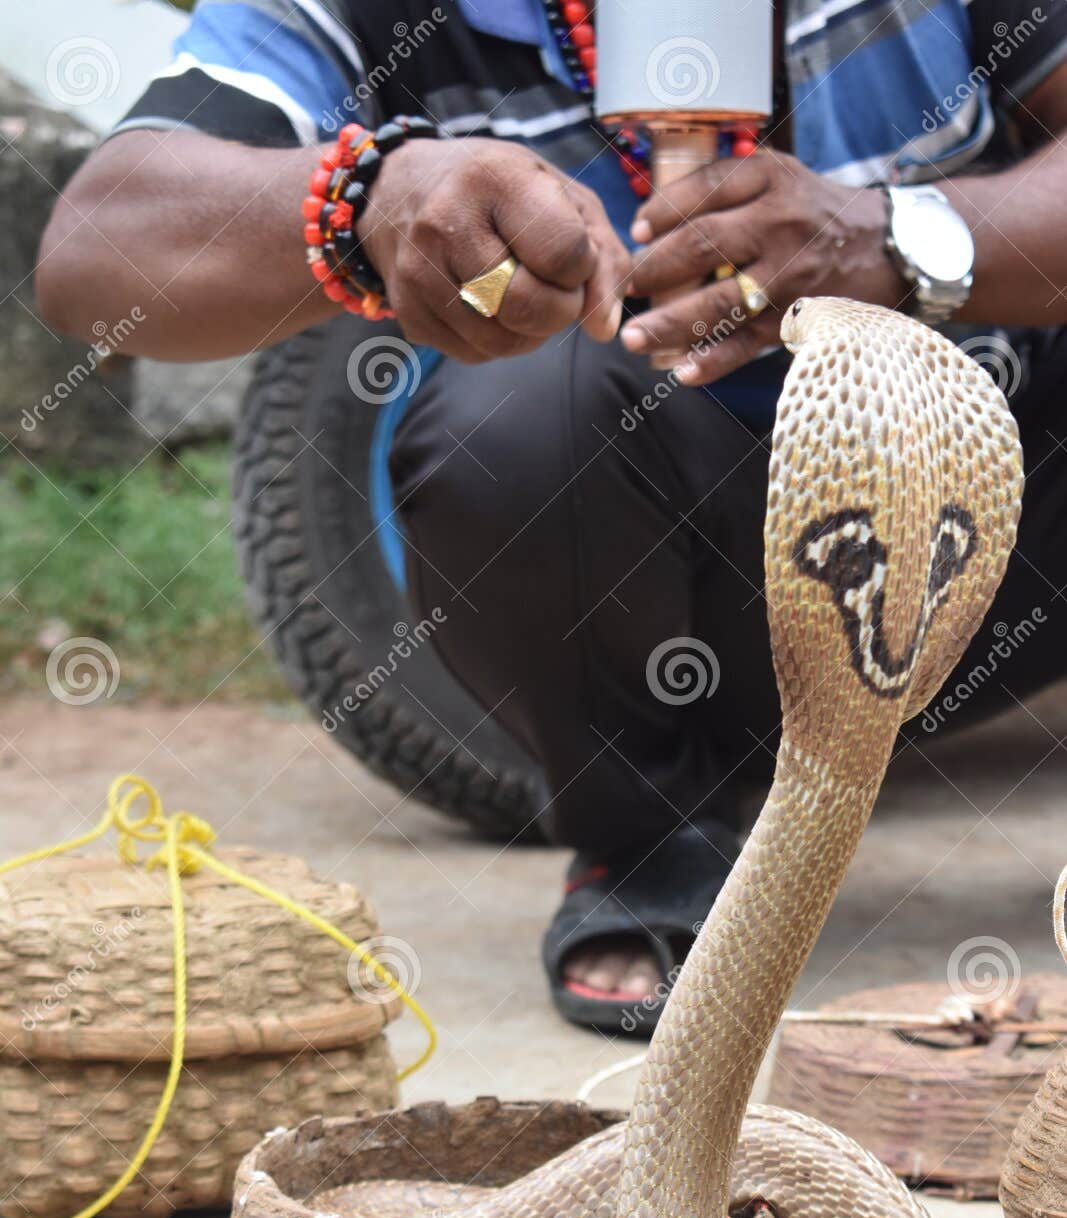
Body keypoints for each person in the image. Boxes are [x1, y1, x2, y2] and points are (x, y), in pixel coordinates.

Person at [37, 0, 1067, 1034]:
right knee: (519, 416)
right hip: (691, 613)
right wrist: (368, 196)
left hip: (999, 544)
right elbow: (95, 247)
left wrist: (893, 235)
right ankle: (649, 840)